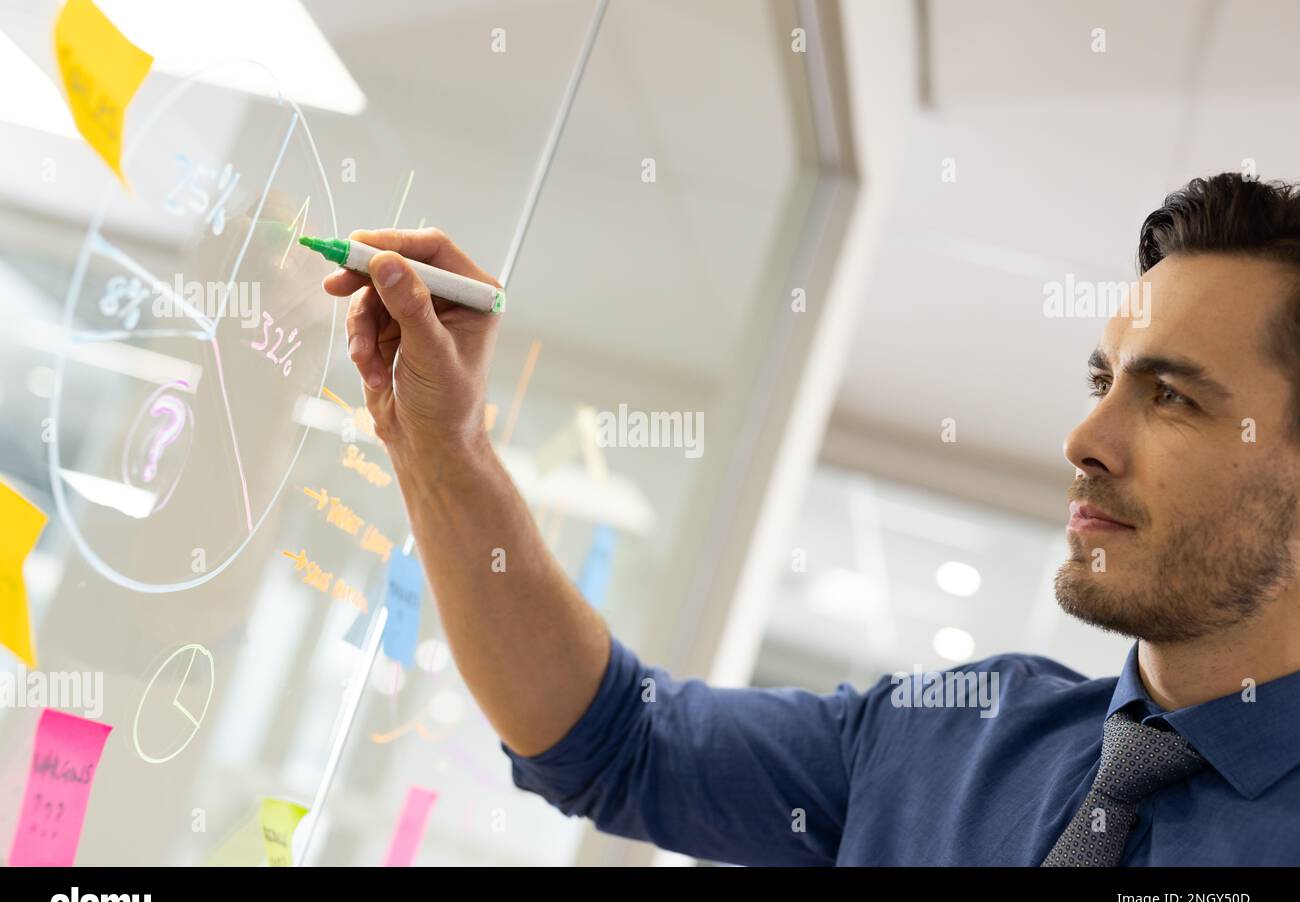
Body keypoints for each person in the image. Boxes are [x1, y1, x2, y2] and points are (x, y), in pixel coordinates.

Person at [322, 172, 1300, 865]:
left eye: (1171, 396)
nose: (1085, 438)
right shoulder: (954, 735)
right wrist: (441, 444)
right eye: (1101, 382)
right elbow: (613, 739)